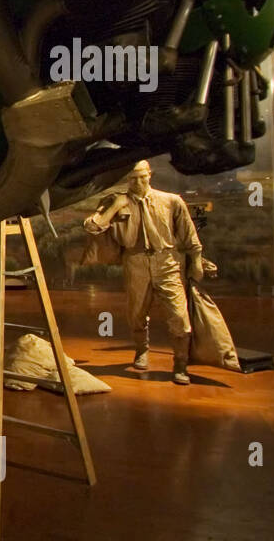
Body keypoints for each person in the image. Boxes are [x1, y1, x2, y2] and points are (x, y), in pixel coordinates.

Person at [83, 159, 203, 384]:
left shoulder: (171, 201)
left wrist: (196, 259)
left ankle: (180, 364)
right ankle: (141, 350)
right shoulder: (115, 201)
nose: (138, 182)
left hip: (167, 261)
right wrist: (115, 207)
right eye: (132, 178)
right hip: (135, 261)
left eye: (142, 176)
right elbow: (92, 226)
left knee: (179, 316)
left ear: (150, 174)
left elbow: (188, 233)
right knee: (136, 313)